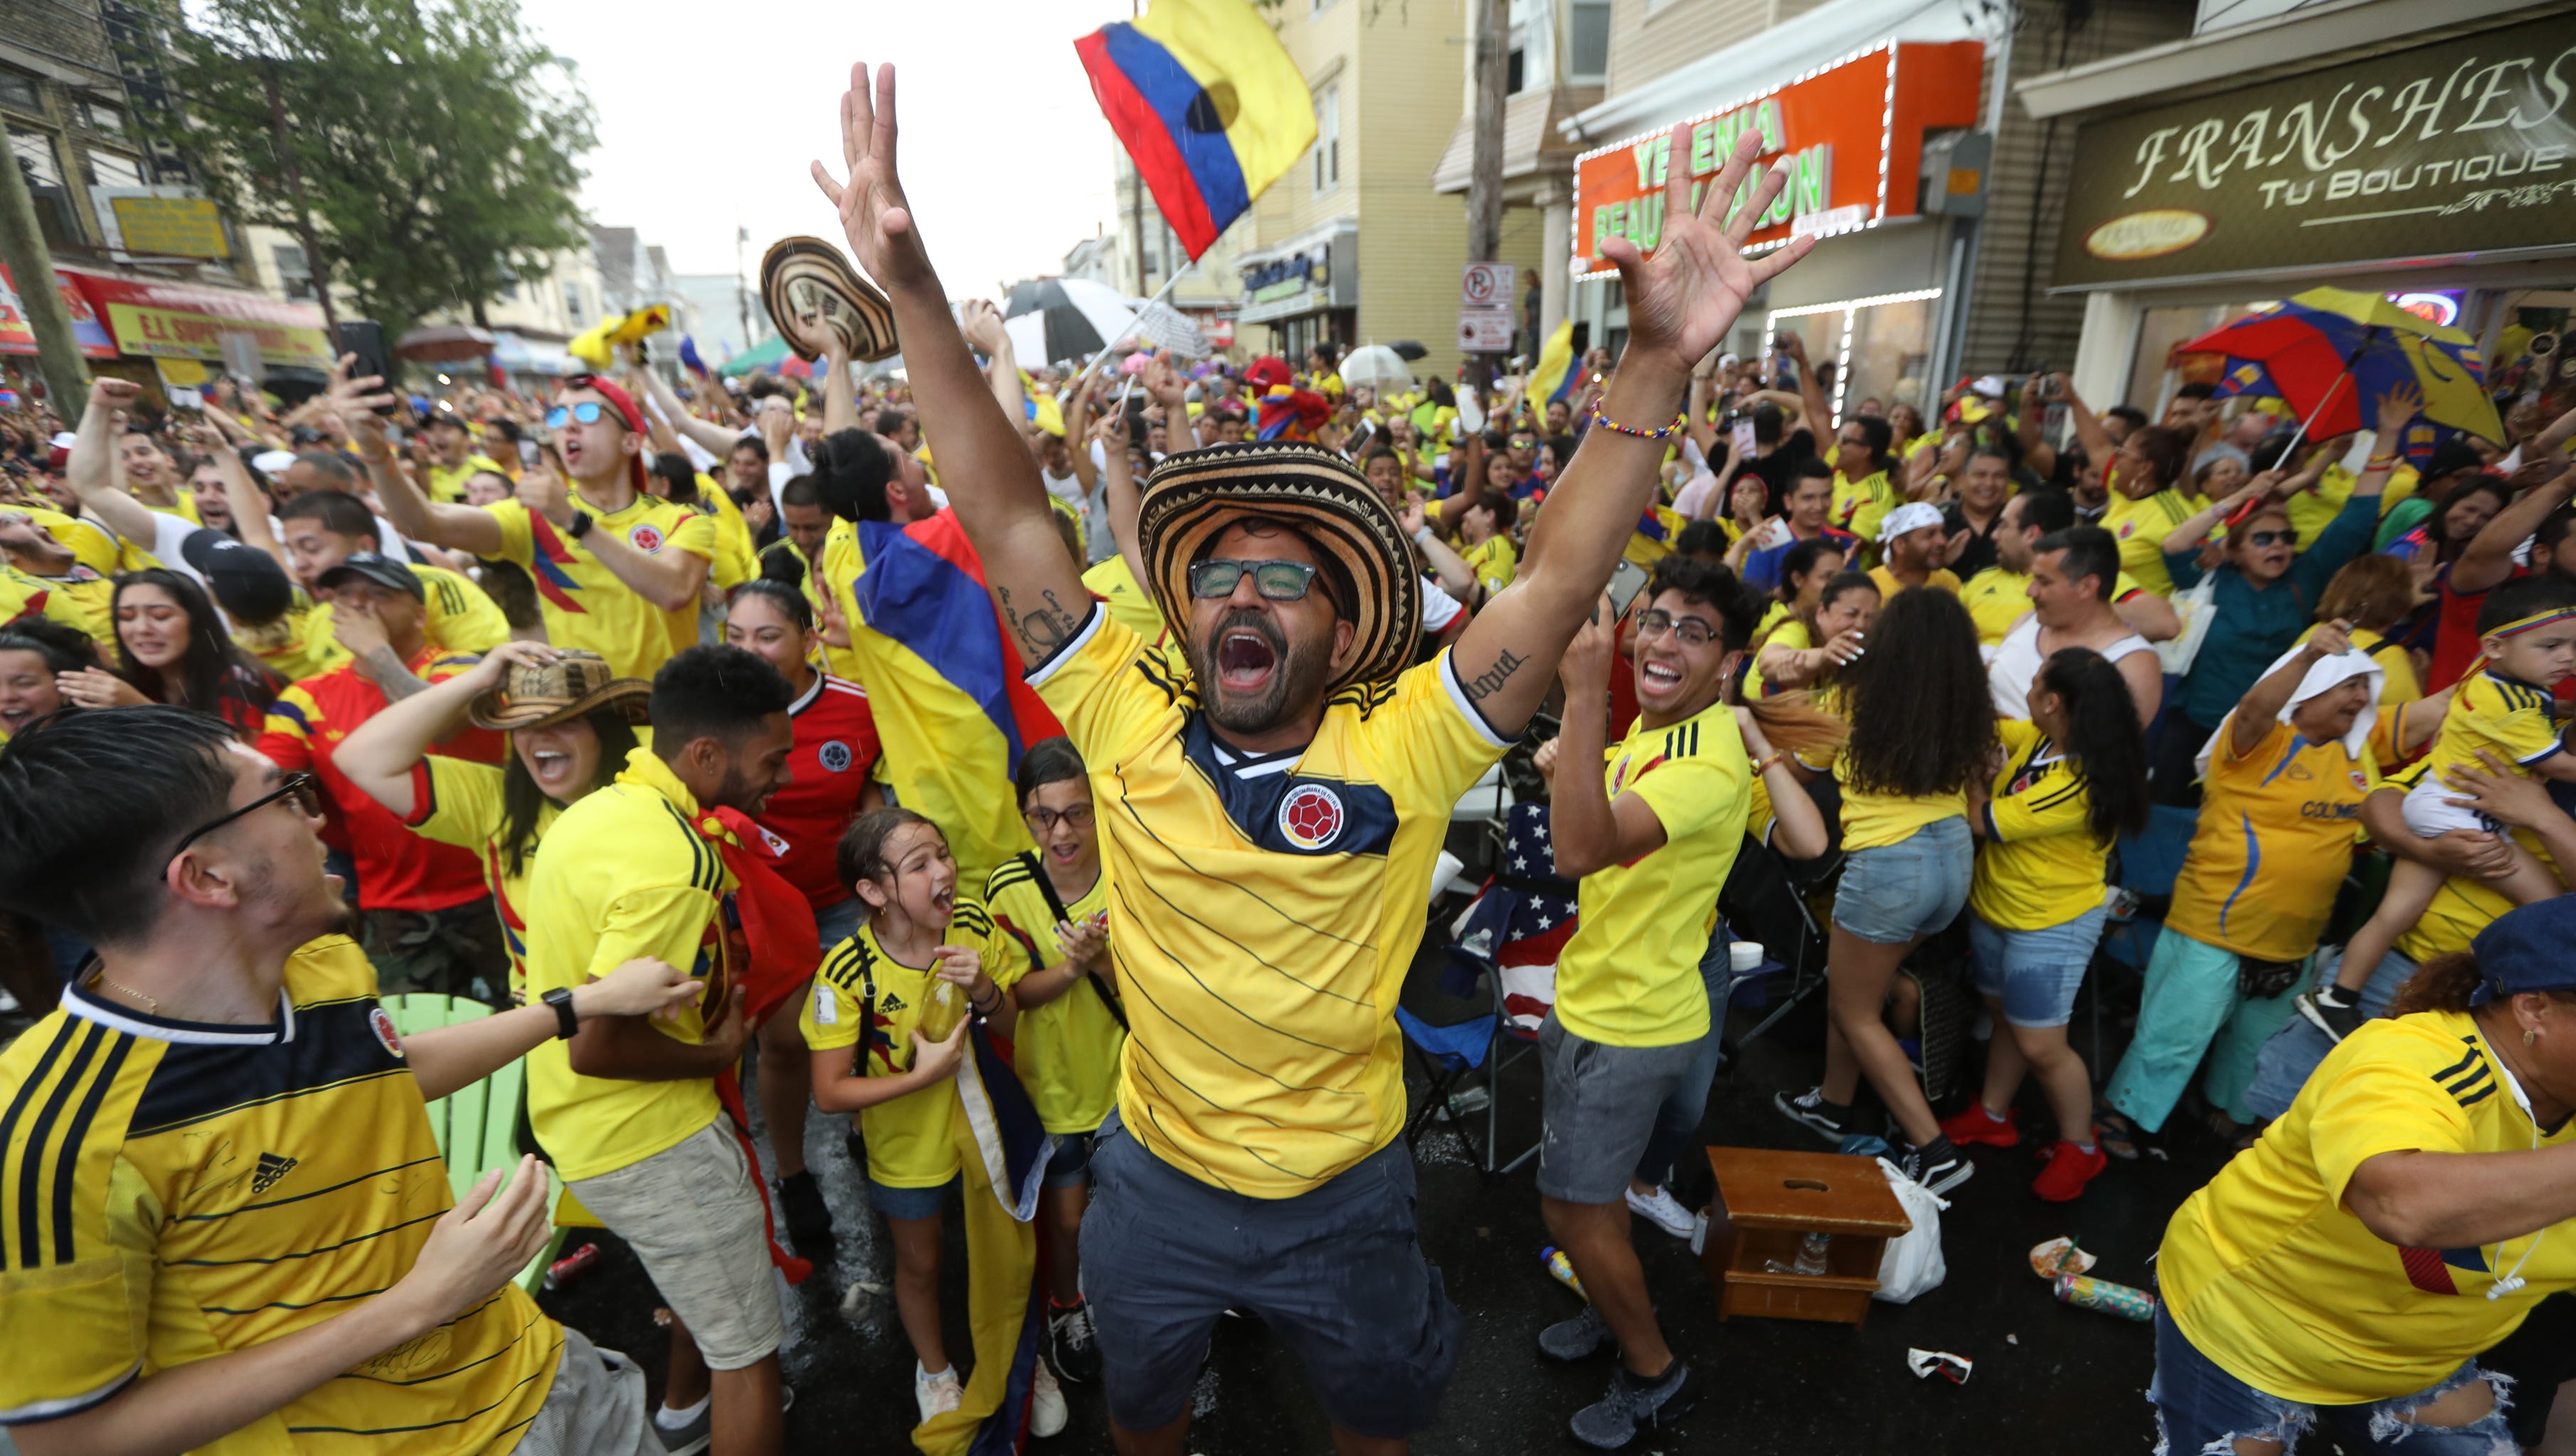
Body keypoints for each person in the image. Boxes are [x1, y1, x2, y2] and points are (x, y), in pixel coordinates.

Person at [815, 63, 1813, 1453]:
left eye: (1283, 579)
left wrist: (1651, 365)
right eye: (1213, 575)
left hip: (1347, 1201)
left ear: (1344, 638)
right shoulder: (1115, 709)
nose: (1239, 593)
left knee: (1375, 1428)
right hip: (1154, 1189)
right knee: (1145, 1420)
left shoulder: (1406, 741)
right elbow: (1002, 511)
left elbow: (1552, 583)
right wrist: (914, 293)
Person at [0, 705, 702, 1456]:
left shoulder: (321, 964)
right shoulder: (54, 1137)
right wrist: (417, 1304)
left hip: (547, 1379)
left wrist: (577, 1006)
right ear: (207, 876)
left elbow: (382, 1078)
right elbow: (72, 1436)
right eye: (286, 796)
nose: (319, 820)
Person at [2146, 895, 2576, 1455]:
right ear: (2533, 1010)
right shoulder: (2408, 1057)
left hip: (2412, 1357)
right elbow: (2404, 1204)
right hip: (2256, 1326)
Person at [521, 643, 796, 1456]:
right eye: (770, 760)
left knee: (712, 1314)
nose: (779, 777)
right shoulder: (673, 863)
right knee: (748, 1358)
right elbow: (599, 1045)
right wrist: (715, 1055)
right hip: (650, 1140)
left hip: (590, 1130)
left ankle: (678, 1418)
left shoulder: (606, 810)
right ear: (705, 754)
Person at [1530, 558, 1764, 1447]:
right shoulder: (1656, 734)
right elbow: (1595, 801)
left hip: (1628, 1027)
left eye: (1695, 632)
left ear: (1728, 664)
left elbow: (1580, 849)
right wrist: (1573, 753)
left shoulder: (1707, 764)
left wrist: (1584, 696)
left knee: (1572, 1211)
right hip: (1596, 1000)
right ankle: (1610, 1302)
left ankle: (1653, 1371)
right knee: (1592, 1211)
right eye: (1658, 621)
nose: (1665, 641)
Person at [2097, 626, 2442, 1155]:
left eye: (2362, 688)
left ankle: (2224, 1113)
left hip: (2292, 939)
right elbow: (2256, 706)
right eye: (2347, 685)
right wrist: (2306, 654)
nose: (2359, 697)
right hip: (2213, 927)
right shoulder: (2258, 743)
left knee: (2255, 1045)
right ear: (2309, 691)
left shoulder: (2357, 748)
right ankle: (2122, 1115)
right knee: (2175, 1034)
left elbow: (2442, 709)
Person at [801, 808, 1066, 1435]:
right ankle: (936, 1372)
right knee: (919, 1264)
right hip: (906, 1145)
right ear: (873, 891)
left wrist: (983, 992)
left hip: (990, 1129)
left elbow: (1011, 1023)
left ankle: (1026, 1359)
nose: (944, 871)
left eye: (943, 855)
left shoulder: (970, 922)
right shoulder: (846, 974)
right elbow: (831, 1094)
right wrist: (921, 1077)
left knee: (1009, 1251)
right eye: (919, 865)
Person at [1774, 587, 1993, 1191]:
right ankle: (1832, 1102)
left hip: (1889, 869)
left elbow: (1794, 770)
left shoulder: (1850, 699)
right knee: (1857, 992)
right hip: (1951, 864)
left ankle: (1934, 1151)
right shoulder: (1967, 711)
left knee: (1851, 1006)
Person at [2304, 577, 2576, 1042]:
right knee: (2547, 903)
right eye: (2551, 646)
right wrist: (2427, 849)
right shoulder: (2520, 707)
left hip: (2493, 989)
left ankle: (2335, 997)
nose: (2566, 658)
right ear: (2495, 646)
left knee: (2394, 911)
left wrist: (2543, 817)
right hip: (2449, 823)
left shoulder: (2518, 695)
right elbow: (2380, 803)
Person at [331, 640, 646, 1005]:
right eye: (526, 723)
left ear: (605, 733)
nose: (542, 736)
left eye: (567, 721)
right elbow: (361, 759)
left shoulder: (652, 792)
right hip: (545, 1034)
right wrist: (476, 681)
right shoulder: (496, 801)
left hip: (640, 1026)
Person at [1942, 648, 2149, 1201]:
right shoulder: (2043, 740)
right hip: (1997, 907)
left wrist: (1973, 777)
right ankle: (1992, 1114)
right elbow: (1992, 729)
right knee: (2003, 1016)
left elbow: (1981, 819)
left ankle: (2081, 1148)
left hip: (2049, 925)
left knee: (2043, 1046)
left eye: (2034, 685)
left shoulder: (2078, 782)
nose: (2027, 692)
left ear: (2052, 702)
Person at [255, 552, 508, 999]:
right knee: (413, 1037)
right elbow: (268, 786)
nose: (360, 606)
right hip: (391, 903)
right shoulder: (307, 697)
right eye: (346, 595)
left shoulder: (460, 668)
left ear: (420, 614)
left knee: (540, 1017)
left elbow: (446, 721)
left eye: (379, 594)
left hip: (494, 887)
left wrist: (376, 650)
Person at [368, 370, 716, 681]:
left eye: (588, 412)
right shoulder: (533, 518)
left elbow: (673, 591)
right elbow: (421, 524)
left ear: (631, 442)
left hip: (670, 720)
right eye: (558, 414)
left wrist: (573, 522)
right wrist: (375, 451)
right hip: (586, 724)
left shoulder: (683, 520)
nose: (569, 425)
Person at [722, 579, 881, 1250]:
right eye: (734, 636)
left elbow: (874, 798)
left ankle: (864, 1128)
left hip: (845, 903)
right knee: (783, 1045)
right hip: (760, 912)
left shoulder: (856, 708)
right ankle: (792, 1174)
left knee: (866, 1025)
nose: (748, 651)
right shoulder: (717, 713)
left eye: (767, 635)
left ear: (809, 640)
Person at [979, 739, 1122, 1388]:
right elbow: (1010, 1001)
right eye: (1043, 817)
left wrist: (1101, 963)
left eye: (1077, 813)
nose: (1061, 831)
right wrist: (1071, 967)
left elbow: (1153, 986)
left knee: (1136, 1206)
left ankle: (1132, 1301)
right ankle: (1068, 1306)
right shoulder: (1007, 888)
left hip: (1133, 1080)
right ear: (1023, 817)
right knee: (1066, 1218)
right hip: (1055, 1085)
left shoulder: (1131, 867)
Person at [2153, 443, 2390, 805]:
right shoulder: (2210, 579)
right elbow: (2175, 544)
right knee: (2167, 825)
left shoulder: (2302, 579)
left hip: (2265, 732)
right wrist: (2245, 494)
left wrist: (2386, 438)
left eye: (2286, 538)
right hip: (2191, 728)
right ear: (2233, 549)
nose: (2278, 546)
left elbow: (2355, 520)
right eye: (2262, 539)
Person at [59, 568, 277, 735]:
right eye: (127, 617)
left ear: (196, 620)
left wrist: (141, 708)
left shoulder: (241, 680)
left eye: (161, 616)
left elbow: (245, 768)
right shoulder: (142, 680)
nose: (142, 629)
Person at [1988, 526, 2163, 727]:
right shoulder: (2026, 621)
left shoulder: (2133, 663)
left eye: (2044, 582)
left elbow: (2110, 750)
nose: (2031, 592)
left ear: (2086, 587)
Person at [1748, 566, 1872, 700]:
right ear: (1821, 612)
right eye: (1851, 614)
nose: (1861, 624)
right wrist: (1824, 656)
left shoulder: (1869, 649)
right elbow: (1767, 662)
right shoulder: (1796, 629)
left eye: (1871, 617)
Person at [1732, 460, 1855, 594]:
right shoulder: (1768, 541)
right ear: (1788, 501)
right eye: (1808, 498)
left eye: (1826, 496)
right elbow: (1751, 603)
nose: (1819, 506)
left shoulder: (1844, 542)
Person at [1867, 501, 1961, 597]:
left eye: (1943, 532)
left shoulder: (1950, 583)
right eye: (1930, 534)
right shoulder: (1870, 587)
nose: (1943, 541)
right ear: (1899, 545)